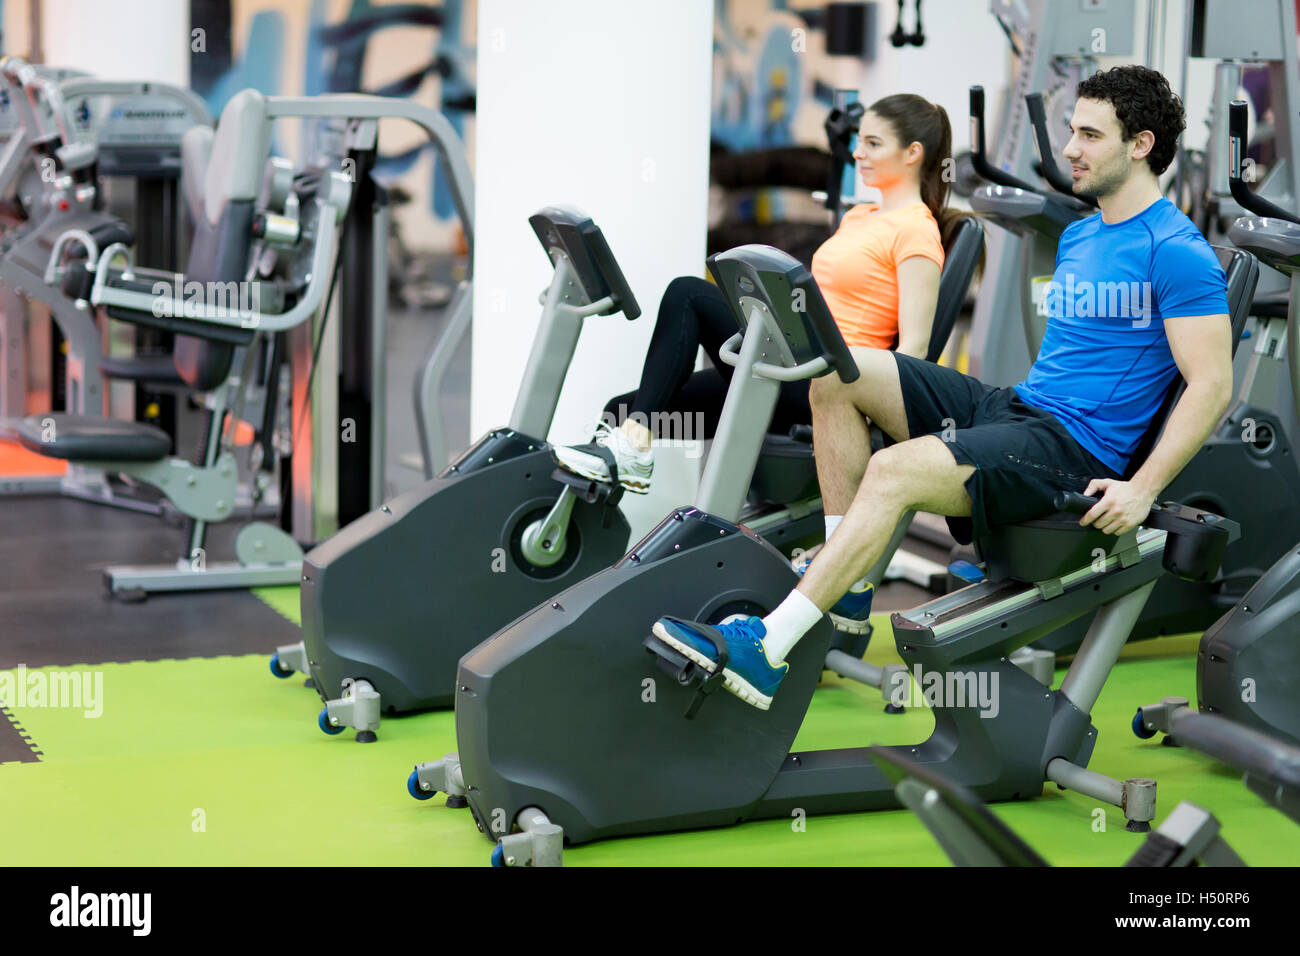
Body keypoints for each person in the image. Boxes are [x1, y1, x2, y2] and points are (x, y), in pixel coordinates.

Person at [654, 65, 1234, 711]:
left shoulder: (1177, 251)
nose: (1069, 148)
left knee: (894, 470)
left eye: (1089, 135)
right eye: (1072, 131)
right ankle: (845, 584)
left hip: (1073, 450)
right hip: (1017, 407)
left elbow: (1211, 385)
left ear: (1141, 145)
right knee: (839, 373)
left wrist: (1143, 489)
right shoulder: (1080, 235)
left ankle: (767, 648)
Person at [552, 93, 963, 495]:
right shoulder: (860, 216)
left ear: (912, 153)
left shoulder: (916, 231)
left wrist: (869, 418)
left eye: (874, 144)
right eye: (861, 141)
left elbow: (914, 352)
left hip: (825, 387)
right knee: (620, 411)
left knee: (689, 294)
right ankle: (602, 512)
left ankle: (634, 446)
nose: (858, 153)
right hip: (789, 368)